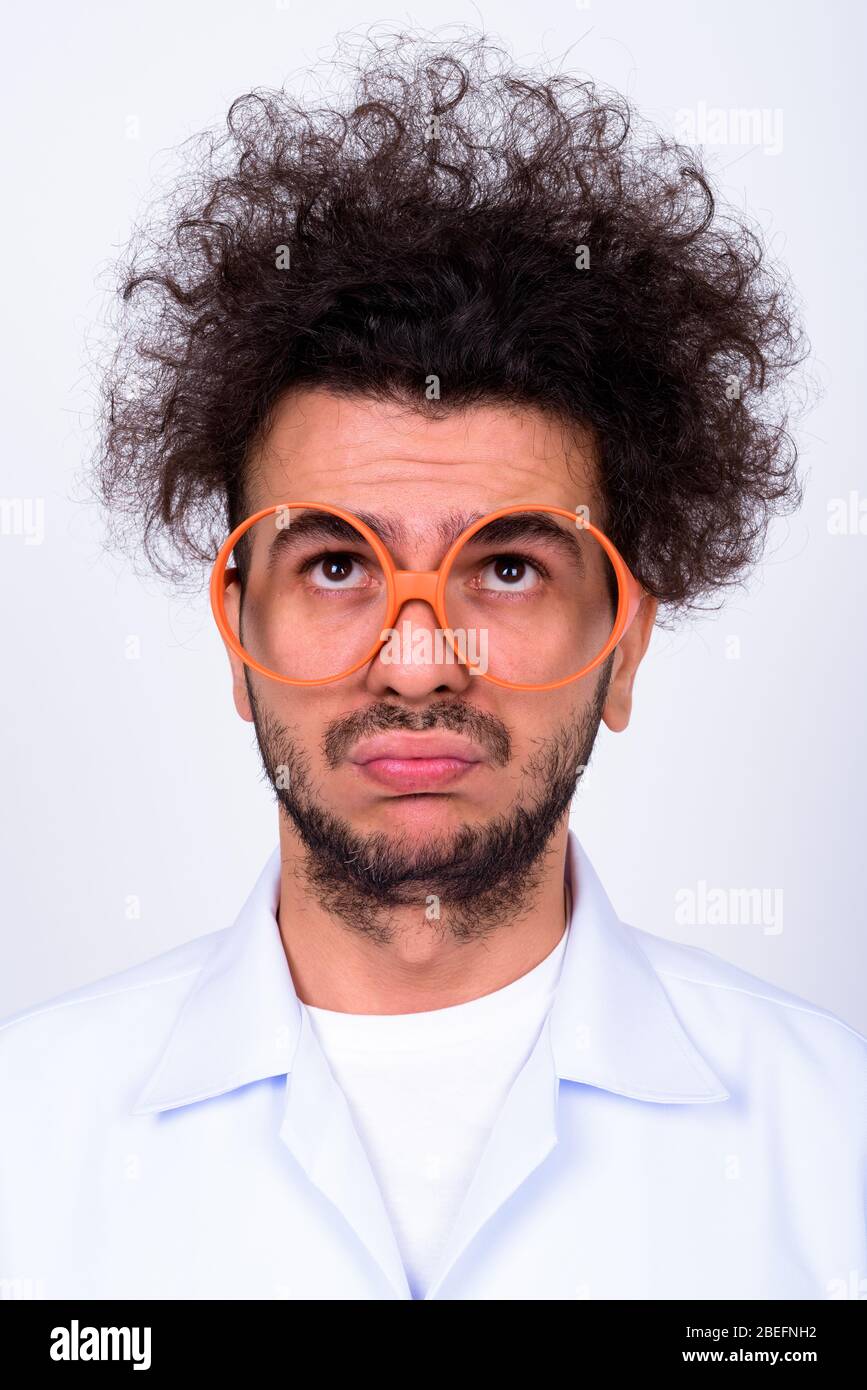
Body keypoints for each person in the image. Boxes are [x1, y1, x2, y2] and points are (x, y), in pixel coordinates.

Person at [1, 31, 864, 1301]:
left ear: (623, 648)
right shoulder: (25, 1143)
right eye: (338, 566)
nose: (418, 662)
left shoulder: (835, 1148)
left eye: (508, 567)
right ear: (235, 639)